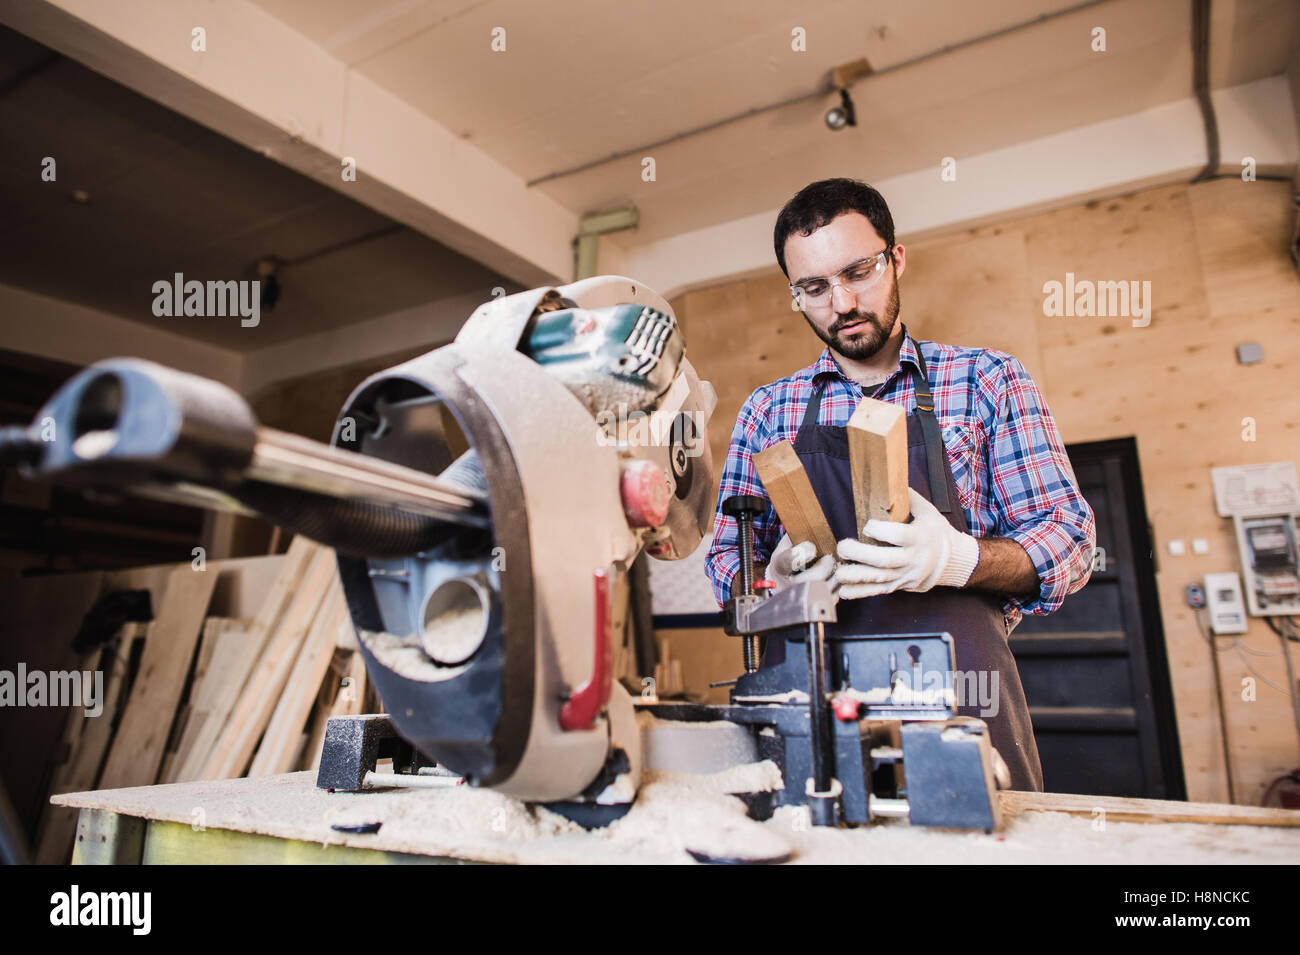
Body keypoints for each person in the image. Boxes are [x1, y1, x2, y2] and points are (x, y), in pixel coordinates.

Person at [704, 178, 1096, 792]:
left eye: (858, 271)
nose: (841, 303)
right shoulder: (767, 411)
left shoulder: (987, 381)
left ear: (897, 258)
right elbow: (728, 561)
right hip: (816, 708)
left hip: (962, 697)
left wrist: (957, 559)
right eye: (814, 287)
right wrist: (769, 584)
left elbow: (1070, 542)